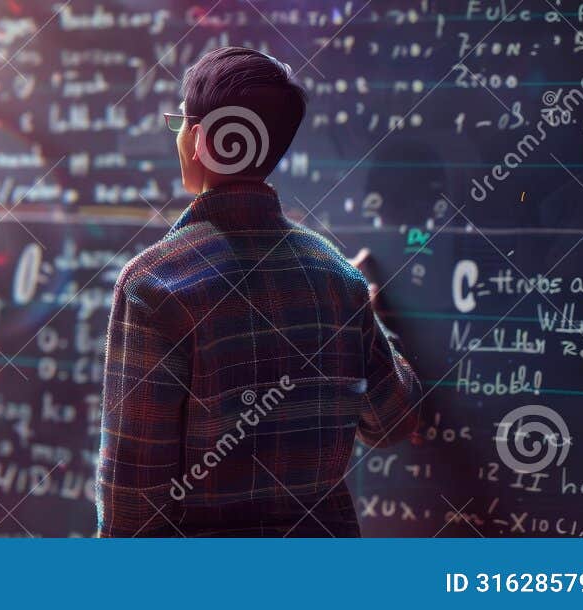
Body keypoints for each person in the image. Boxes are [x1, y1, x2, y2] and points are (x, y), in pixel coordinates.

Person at [96, 46, 421, 537]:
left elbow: (132, 497)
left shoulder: (155, 285)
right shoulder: (338, 280)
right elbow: (392, 421)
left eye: (180, 123)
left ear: (201, 139)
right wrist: (367, 318)